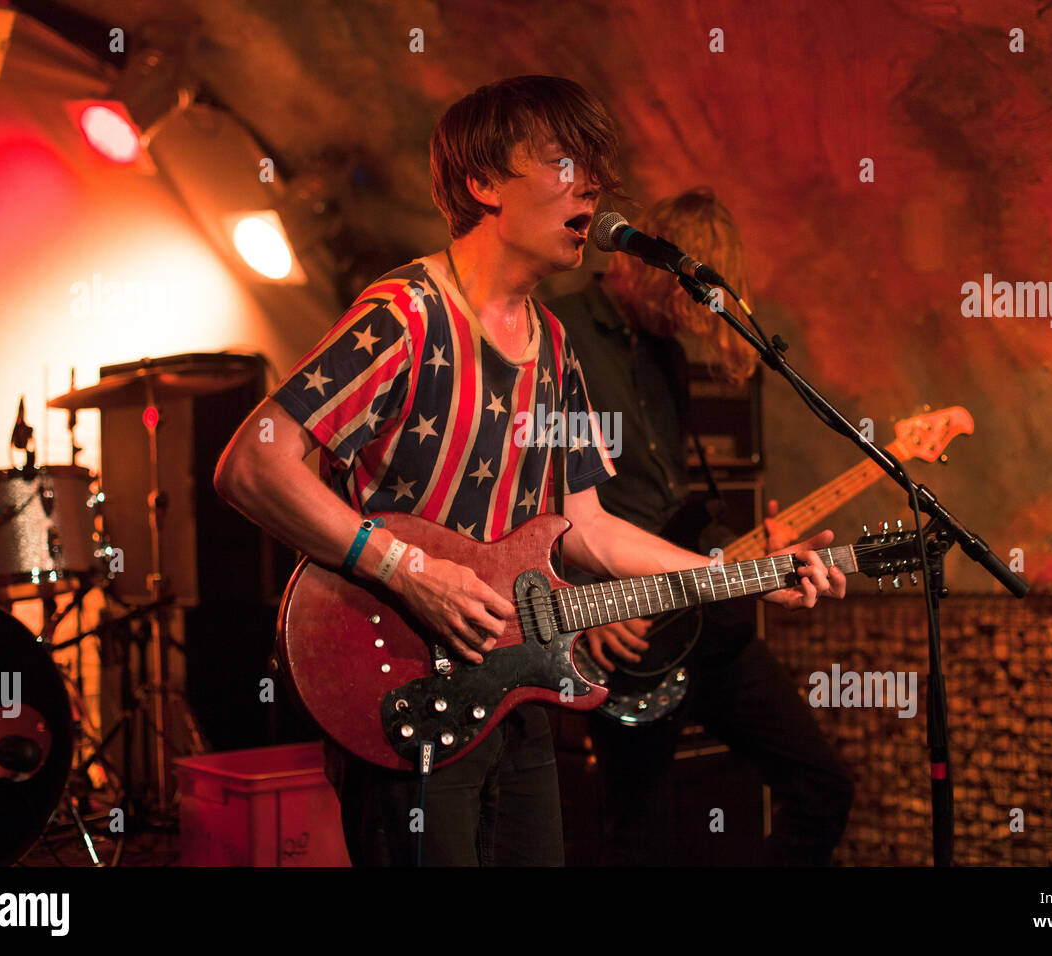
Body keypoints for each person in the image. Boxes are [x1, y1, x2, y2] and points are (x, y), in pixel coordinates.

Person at [214, 78, 846, 866]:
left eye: (596, 168)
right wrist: (408, 570)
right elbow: (252, 462)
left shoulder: (552, 344)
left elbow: (588, 529)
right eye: (562, 161)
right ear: (483, 183)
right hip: (397, 680)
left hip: (514, 689)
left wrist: (745, 575)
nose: (593, 186)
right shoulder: (405, 315)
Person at [547, 188, 856, 865]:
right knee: (640, 837)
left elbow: (669, 500)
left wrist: (745, 550)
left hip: (700, 614)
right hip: (620, 628)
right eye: (674, 299)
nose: (684, 318)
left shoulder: (666, 354)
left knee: (822, 786)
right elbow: (532, 497)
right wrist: (580, 605)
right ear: (638, 267)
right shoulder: (557, 331)